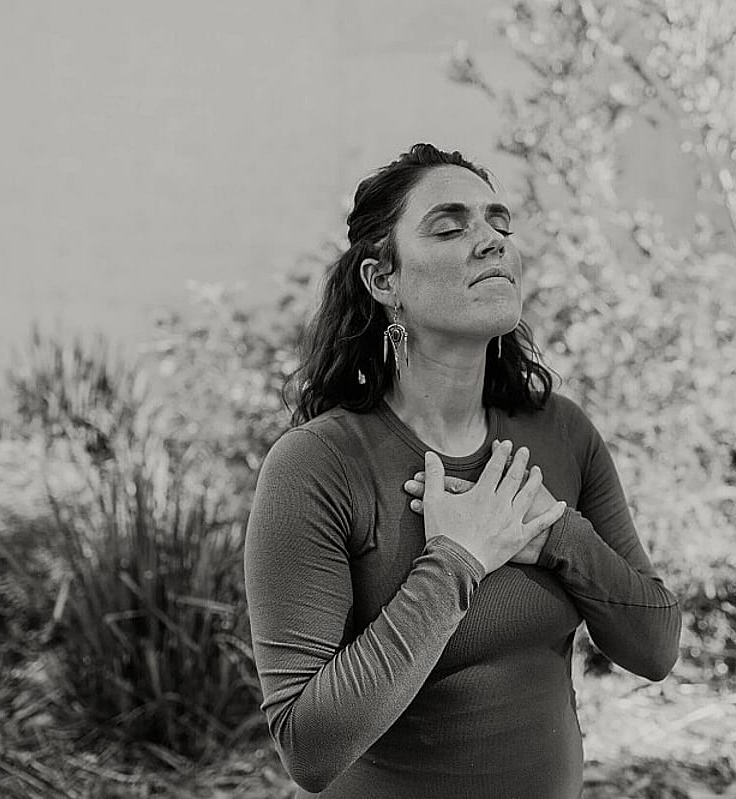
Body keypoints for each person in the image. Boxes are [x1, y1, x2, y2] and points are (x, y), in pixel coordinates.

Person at [244, 143, 681, 798]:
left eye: (499, 224)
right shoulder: (320, 465)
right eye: (451, 226)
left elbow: (655, 646)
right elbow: (308, 747)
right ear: (382, 279)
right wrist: (456, 558)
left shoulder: (559, 431)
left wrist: (558, 537)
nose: (491, 242)